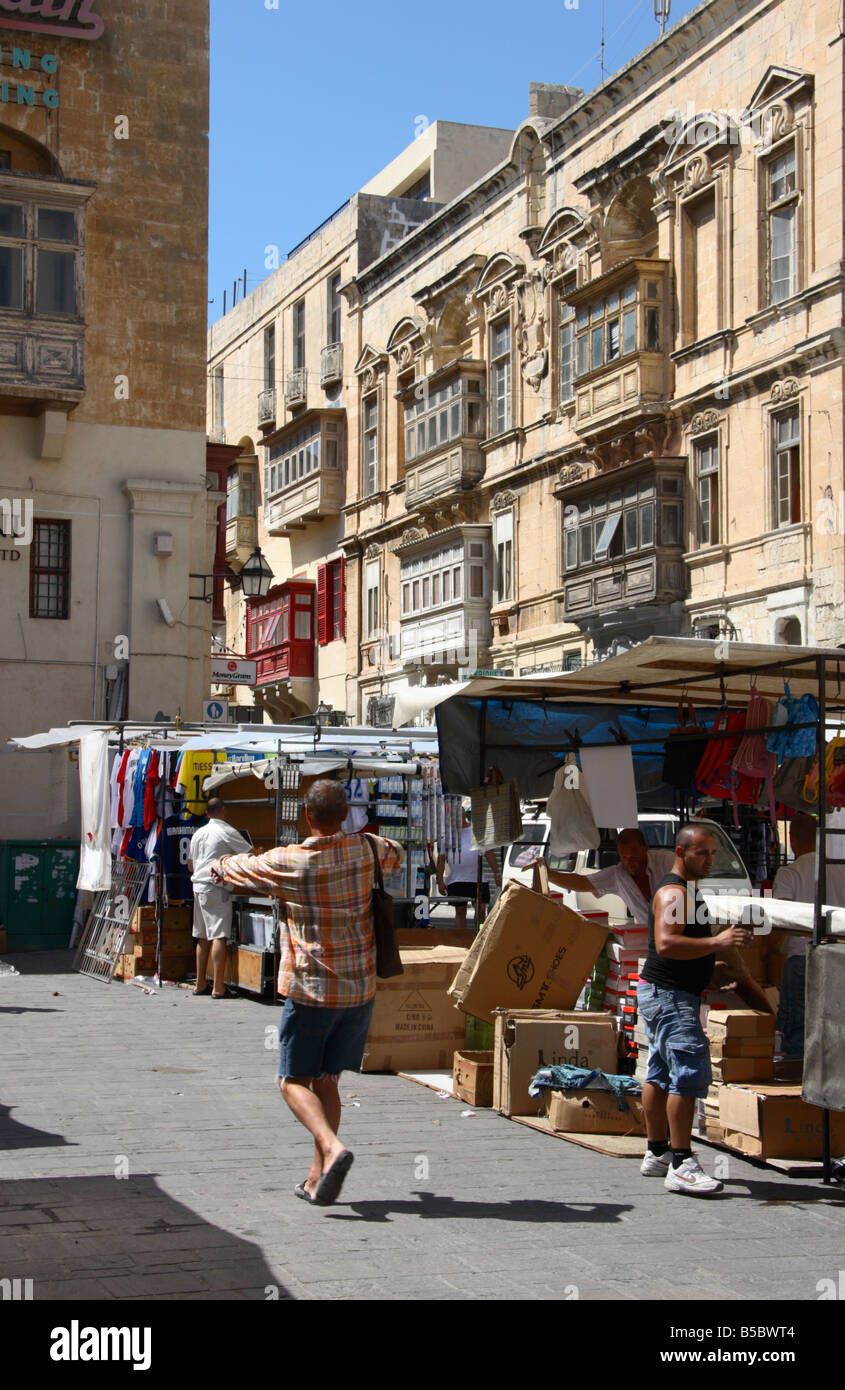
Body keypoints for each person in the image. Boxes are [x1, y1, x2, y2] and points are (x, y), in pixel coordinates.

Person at [211, 779, 404, 1207]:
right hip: (359, 990)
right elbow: (397, 853)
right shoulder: (369, 850)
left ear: (308, 816)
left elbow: (235, 871)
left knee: (291, 1081)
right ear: (345, 814)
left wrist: (220, 864)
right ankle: (317, 1178)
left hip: (312, 989)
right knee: (326, 1081)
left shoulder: (289, 862)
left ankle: (332, 1148)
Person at [638, 824, 755, 1197]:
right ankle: (682, 1162)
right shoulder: (675, 892)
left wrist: (709, 969)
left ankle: (658, 1151)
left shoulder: (685, 892)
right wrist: (718, 940)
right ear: (680, 851)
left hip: (667, 991)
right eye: (701, 853)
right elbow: (667, 943)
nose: (709, 860)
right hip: (671, 996)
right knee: (686, 1074)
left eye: (712, 853)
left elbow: (678, 947)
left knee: (659, 1071)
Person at [771, 813, 845, 1058]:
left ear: (791, 839)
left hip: (801, 956)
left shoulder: (789, 873)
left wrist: (767, 950)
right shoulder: (839, 869)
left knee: (797, 1029)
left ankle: (795, 1080)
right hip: (837, 956)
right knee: (833, 1026)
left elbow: (780, 918)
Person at [529, 828, 675, 922]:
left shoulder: (667, 861)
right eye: (623, 857)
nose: (629, 863)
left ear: (645, 849)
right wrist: (548, 874)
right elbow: (581, 883)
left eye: (633, 857)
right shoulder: (618, 875)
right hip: (651, 941)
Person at [188, 796, 253, 999]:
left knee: (202, 937)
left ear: (207, 813)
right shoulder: (225, 830)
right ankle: (218, 986)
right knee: (219, 936)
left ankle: (200, 983)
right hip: (215, 886)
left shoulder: (198, 833)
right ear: (223, 811)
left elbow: (190, 864)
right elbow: (250, 854)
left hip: (197, 886)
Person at [436, 806, 501, 928]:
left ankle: (478, 938)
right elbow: (441, 860)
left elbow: (489, 853)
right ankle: (461, 942)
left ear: (464, 816)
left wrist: (497, 873)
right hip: (457, 880)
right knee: (460, 912)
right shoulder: (447, 837)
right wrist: (439, 881)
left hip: (478, 880)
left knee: (481, 911)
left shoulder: (477, 832)